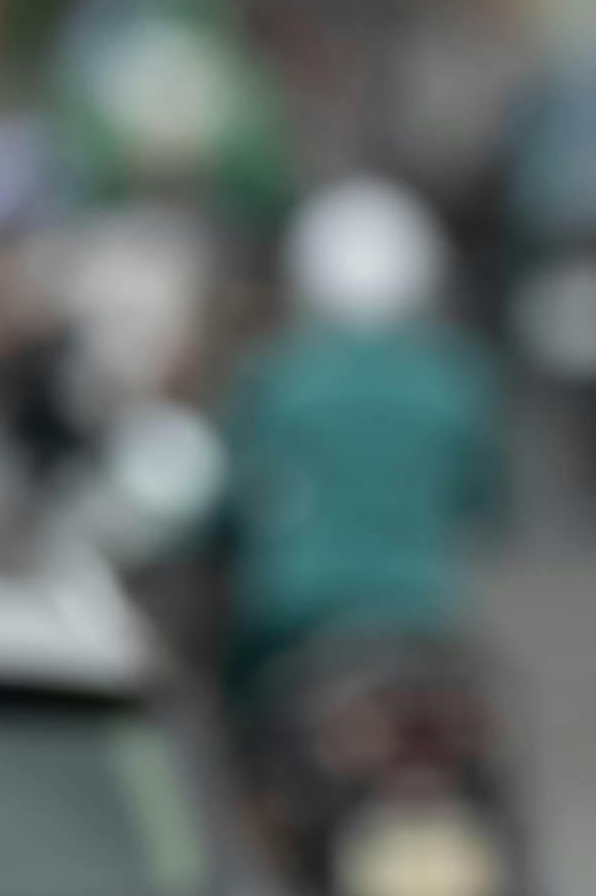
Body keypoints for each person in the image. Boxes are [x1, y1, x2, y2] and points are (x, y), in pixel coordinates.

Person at [217, 176, 506, 687]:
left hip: (295, 609)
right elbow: (488, 499)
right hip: (422, 606)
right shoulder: (456, 376)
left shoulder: (279, 373)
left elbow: (236, 495)